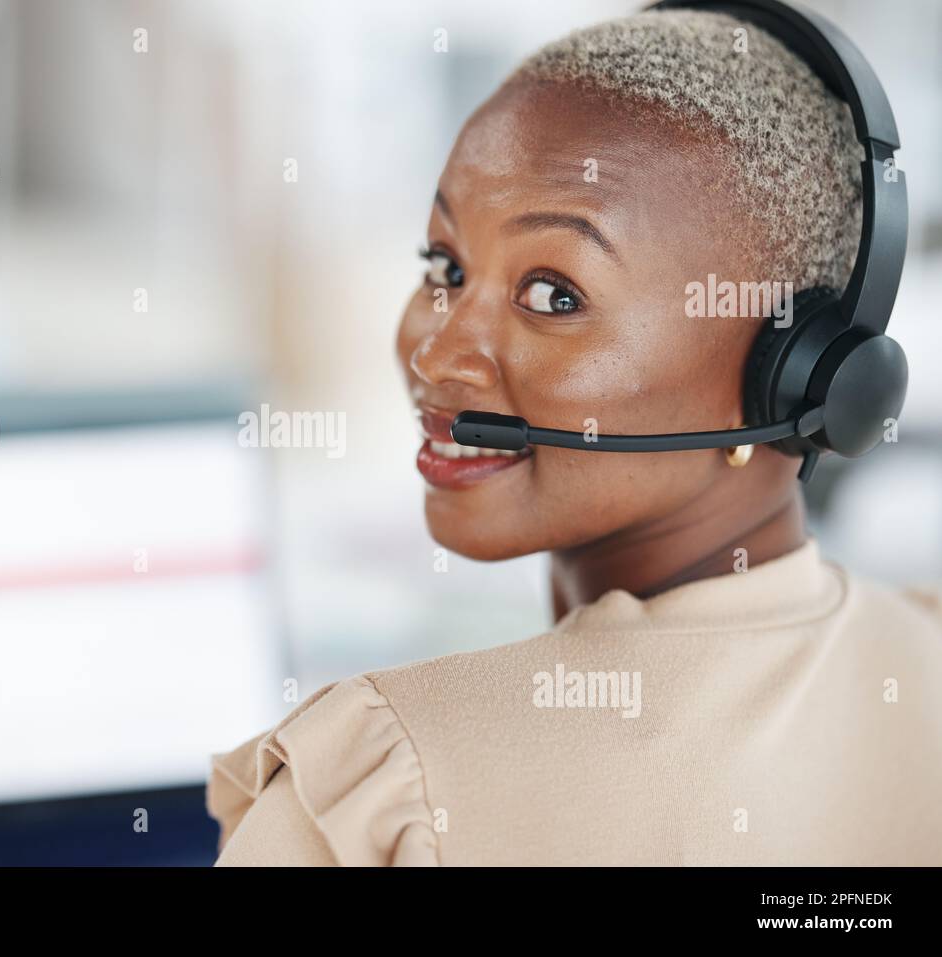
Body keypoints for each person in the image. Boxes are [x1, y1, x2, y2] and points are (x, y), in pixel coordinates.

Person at [204, 8, 942, 866]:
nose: (438, 352)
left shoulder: (381, 799)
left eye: (554, 294)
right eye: (445, 267)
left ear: (794, 378)